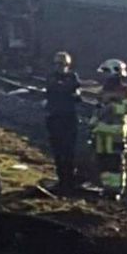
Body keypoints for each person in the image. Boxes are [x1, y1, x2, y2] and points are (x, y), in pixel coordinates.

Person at [89, 59, 127, 200]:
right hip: (102, 133)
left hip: (115, 133)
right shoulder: (103, 91)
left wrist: (113, 108)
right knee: (103, 160)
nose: (103, 76)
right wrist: (93, 124)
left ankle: (115, 190)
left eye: (105, 73)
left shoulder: (124, 91)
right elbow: (97, 109)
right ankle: (106, 188)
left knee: (114, 162)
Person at [46, 51, 82, 190]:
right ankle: (63, 178)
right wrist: (68, 90)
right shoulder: (52, 77)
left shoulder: (73, 76)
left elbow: (77, 94)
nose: (60, 67)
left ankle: (69, 178)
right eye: (57, 64)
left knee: (69, 150)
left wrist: (67, 90)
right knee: (58, 150)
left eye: (62, 64)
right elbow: (58, 89)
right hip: (55, 117)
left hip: (68, 117)